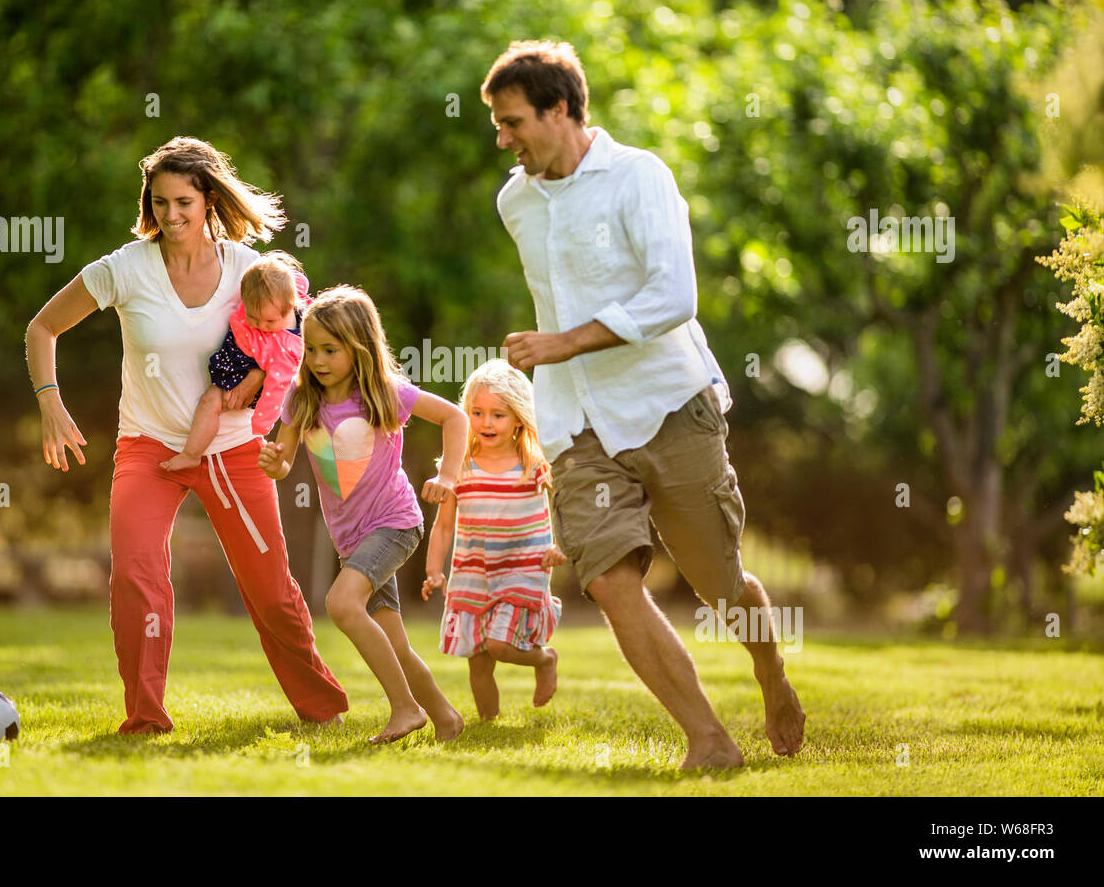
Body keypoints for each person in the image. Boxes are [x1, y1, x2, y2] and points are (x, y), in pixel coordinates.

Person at [482, 40, 806, 769]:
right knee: (607, 578)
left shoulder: (639, 177)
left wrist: (564, 342)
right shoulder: (515, 201)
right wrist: (551, 356)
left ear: (559, 108)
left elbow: (673, 296)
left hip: (668, 403)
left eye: (511, 122)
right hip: (578, 423)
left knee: (719, 585)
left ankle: (770, 670)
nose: (502, 139)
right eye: (497, 125)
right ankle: (709, 740)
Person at [24, 136, 347, 734]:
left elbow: (301, 352)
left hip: (232, 450)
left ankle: (322, 708)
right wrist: (50, 402)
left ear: (210, 202)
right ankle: (145, 717)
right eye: (160, 201)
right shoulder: (126, 268)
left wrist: (290, 436)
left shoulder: (254, 271)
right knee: (136, 574)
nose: (171, 215)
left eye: (184, 202)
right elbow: (42, 328)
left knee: (270, 586)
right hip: (147, 447)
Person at [257, 285, 467, 745]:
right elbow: (285, 460)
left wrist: (448, 477)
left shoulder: (384, 394)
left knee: (340, 603)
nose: (317, 359)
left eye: (330, 350)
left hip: (395, 523)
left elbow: (455, 418)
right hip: (350, 539)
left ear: (360, 349)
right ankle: (447, 719)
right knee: (396, 646)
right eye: (311, 348)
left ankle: (405, 710)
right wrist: (276, 464)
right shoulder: (301, 400)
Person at [421, 358, 564, 720]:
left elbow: (567, 504)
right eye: (477, 412)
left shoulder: (535, 465)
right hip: (473, 573)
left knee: (500, 644)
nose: (486, 423)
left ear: (518, 417)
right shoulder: (459, 465)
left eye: (498, 415)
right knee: (479, 665)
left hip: (523, 568)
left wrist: (562, 545)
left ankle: (544, 658)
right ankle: (489, 722)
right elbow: (443, 525)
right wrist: (434, 570)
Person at [161, 250, 309, 472]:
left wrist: (261, 424)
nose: (260, 325)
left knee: (209, 403)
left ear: (289, 308)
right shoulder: (282, 294)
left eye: (269, 321)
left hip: (244, 369)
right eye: (253, 317)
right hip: (240, 355)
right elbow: (295, 281)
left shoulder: (284, 349)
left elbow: (275, 390)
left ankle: (191, 454)